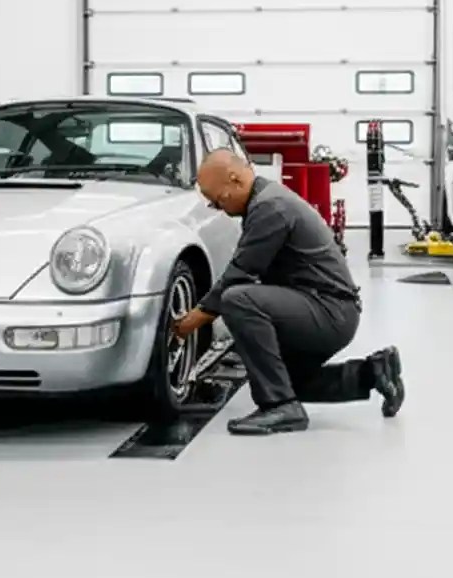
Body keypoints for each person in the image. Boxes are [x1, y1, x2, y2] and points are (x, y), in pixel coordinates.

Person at [173, 149, 404, 435]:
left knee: (237, 299)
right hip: (328, 306)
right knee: (287, 380)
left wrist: (193, 319)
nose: (216, 207)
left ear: (234, 179)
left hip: (330, 311)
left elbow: (240, 272)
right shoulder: (265, 199)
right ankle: (375, 373)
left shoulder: (271, 208)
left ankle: (280, 407)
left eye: (217, 199)